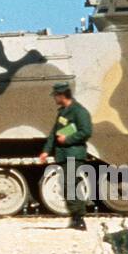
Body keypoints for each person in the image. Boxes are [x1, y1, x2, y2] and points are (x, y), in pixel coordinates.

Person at [39, 81, 93, 230]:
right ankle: (75, 217)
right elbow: (54, 133)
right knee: (67, 185)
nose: (54, 98)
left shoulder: (79, 111)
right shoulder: (63, 111)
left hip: (73, 153)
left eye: (55, 95)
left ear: (62, 95)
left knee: (70, 184)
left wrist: (67, 139)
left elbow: (86, 131)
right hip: (63, 154)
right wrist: (46, 151)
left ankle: (79, 218)